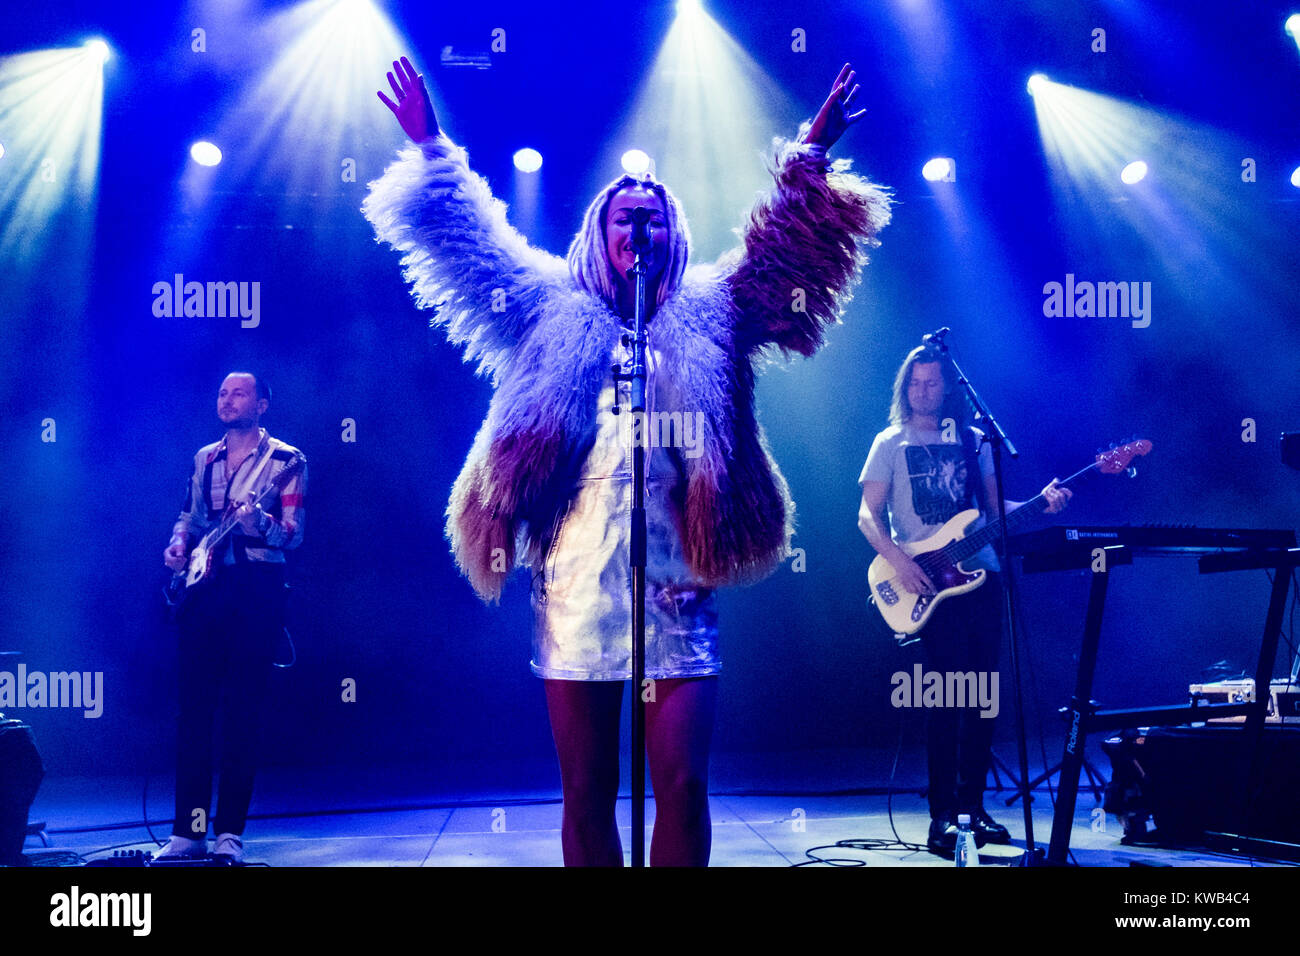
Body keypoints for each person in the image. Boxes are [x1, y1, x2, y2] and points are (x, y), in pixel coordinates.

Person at [364, 56, 891, 865]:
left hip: (677, 586)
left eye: (652, 218)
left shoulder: (709, 311)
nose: (637, 230)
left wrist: (813, 150)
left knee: (680, 785)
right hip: (576, 585)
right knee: (585, 793)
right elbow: (473, 248)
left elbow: (784, 259)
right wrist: (432, 146)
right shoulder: (546, 307)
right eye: (623, 219)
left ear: (671, 232)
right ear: (598, 235)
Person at [856, 345, 1070, 856]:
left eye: (932, 382)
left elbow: (995, 510)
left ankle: (973, 811)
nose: (924, 391)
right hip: (927, 583)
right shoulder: (889, 442)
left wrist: (1043, 501)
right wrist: (902, 562)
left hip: (981, 576)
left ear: (948, 387)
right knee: (947, 697)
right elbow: (866, 516)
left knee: (983, 696)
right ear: (904, 388)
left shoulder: (973, 442)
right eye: (915, 383)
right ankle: (941, 817)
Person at [158, 372, 306, 863]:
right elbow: (190, 517)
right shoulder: (205, 458)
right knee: (193, 712)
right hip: (206, 593)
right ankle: (188, 832)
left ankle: (230, 835)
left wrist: (257, 522)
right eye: (222, 391)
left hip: (257, 592)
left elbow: (293, 534)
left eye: (239, 393)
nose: (227, 399)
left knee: (243, 712)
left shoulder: (287, 461)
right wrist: (180, 545)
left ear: (262, 403)